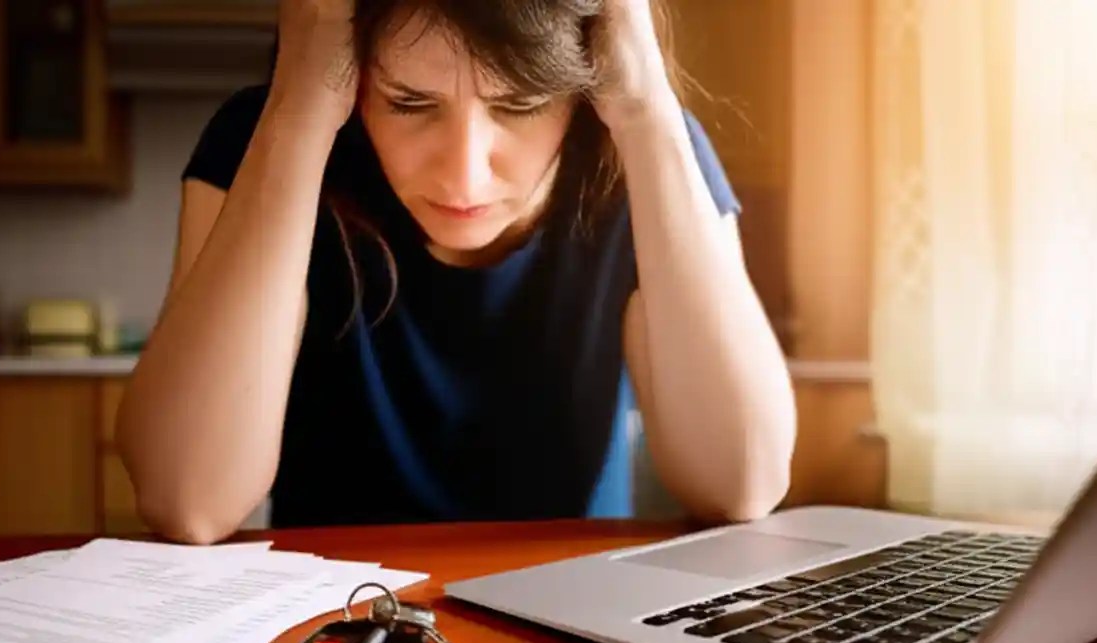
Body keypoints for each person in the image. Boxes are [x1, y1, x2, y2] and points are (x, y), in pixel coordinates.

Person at [116, 0, 797, 545]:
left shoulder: (640, 157)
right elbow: (188, 501)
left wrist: (648, 109)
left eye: (521, 104)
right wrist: (296, 112)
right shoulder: (263, 142)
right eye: (410, 104)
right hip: (334, 627)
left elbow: (742, 481)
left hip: (575, 626)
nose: (464, 175)